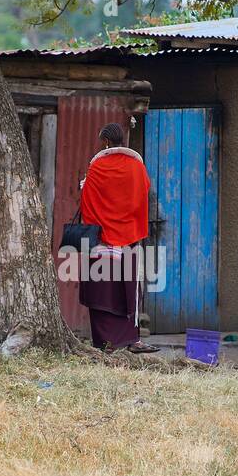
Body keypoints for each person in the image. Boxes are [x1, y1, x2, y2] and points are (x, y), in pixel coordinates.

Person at [78, 123, 158, 353]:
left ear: (105, 142)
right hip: (128, 239)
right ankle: (131, 339)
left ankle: (104, 341)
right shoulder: (137, 167)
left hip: (101, 240)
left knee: (101, 289)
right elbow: (141, 195)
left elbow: (88, 201)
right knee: (127, 288)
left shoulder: (97, 167)